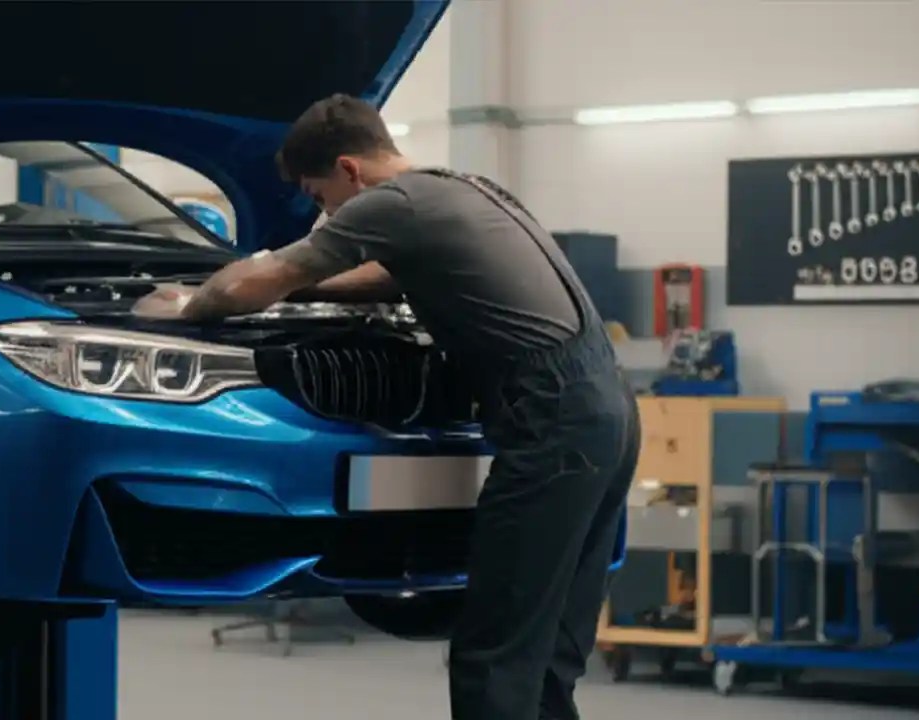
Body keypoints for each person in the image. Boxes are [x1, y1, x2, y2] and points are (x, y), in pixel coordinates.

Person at [133, 94, 640, 720]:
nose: (325, 214)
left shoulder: (389, 205)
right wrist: (301, 289)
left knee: (495, 651)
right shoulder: (464, 191)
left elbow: (253, 281)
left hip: (553, 417)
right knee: (550, 648)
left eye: (320, 197)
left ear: (348, 170)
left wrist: (187, 305)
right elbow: (387, 279)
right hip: (609, 408)